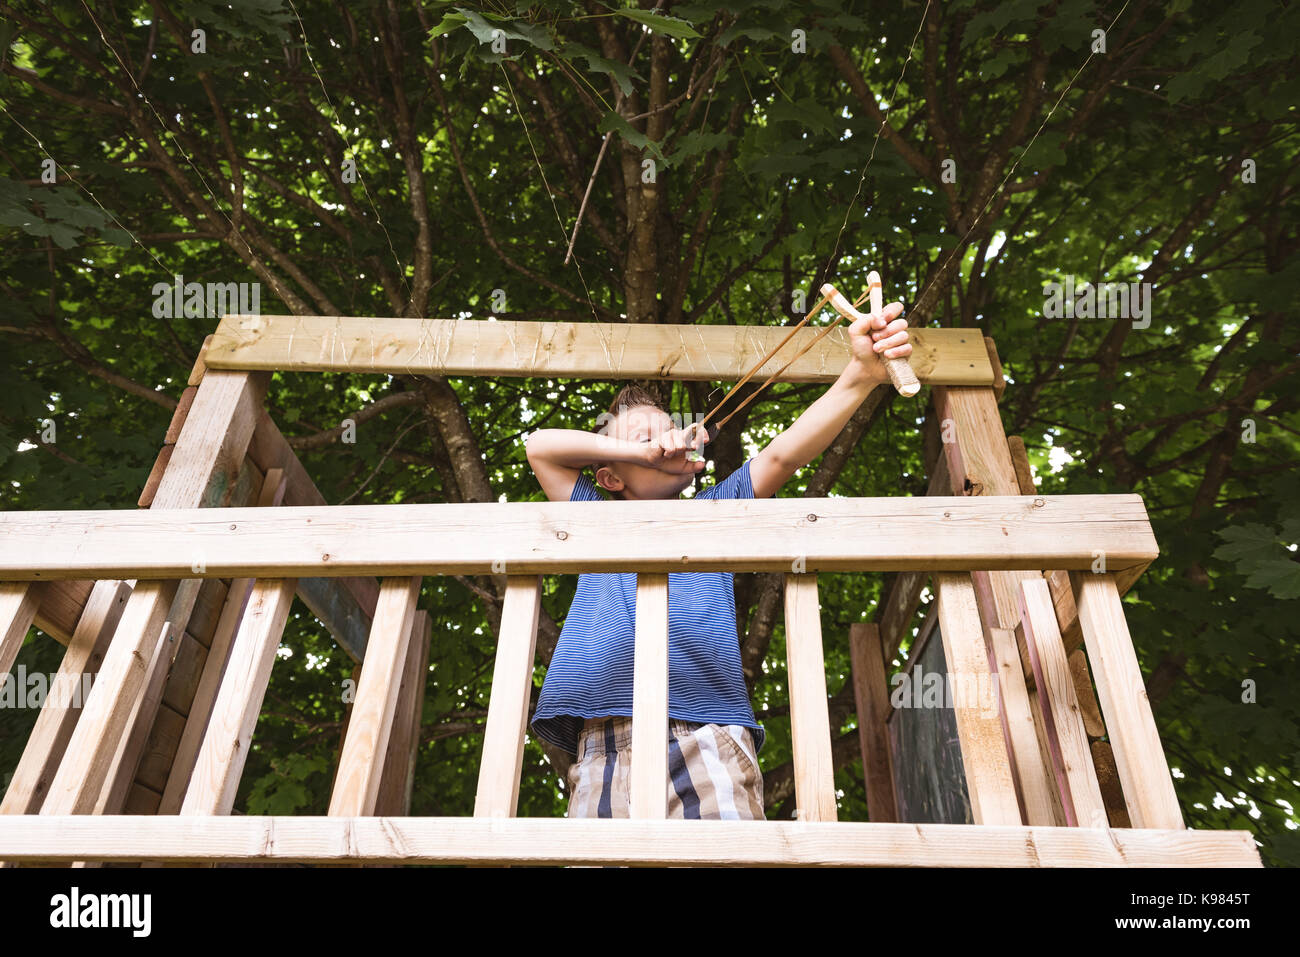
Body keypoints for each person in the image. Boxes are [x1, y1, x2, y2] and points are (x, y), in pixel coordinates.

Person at [524, 297, 911, 819]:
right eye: (645, 436)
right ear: (610, 476)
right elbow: (540, 448)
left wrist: (861, 375)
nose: (668, 441)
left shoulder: (717, 509)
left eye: (671, 428)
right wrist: (641, 451)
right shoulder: (593, 512)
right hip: (605, 736)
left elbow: (783, 454)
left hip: (709, 730)